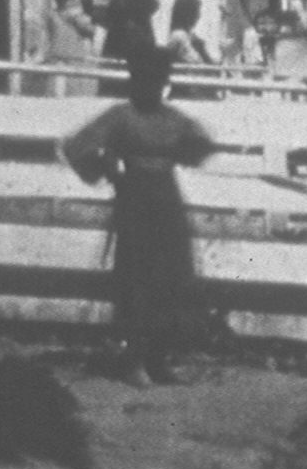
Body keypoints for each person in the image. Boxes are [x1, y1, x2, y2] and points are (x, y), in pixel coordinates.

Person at [64, 44, 215, 383]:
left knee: (171, 277)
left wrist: (184, 151)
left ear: (164, 82)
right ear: (133, 80)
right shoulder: (121, 116)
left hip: (166, 200)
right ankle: (134, 361)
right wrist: (108, 169)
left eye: (156, 79)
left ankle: (159, 358)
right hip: (134, 200)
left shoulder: (173, 119)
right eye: (142, 79)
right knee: (137, 278)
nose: (148, 86)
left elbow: (202, 143)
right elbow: (76, 145)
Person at [35, 0, 98, 96]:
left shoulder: (57, 15)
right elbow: (91, 31)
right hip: (69, 62)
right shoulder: (72, 14)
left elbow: (46, 40)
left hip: (63, 62)